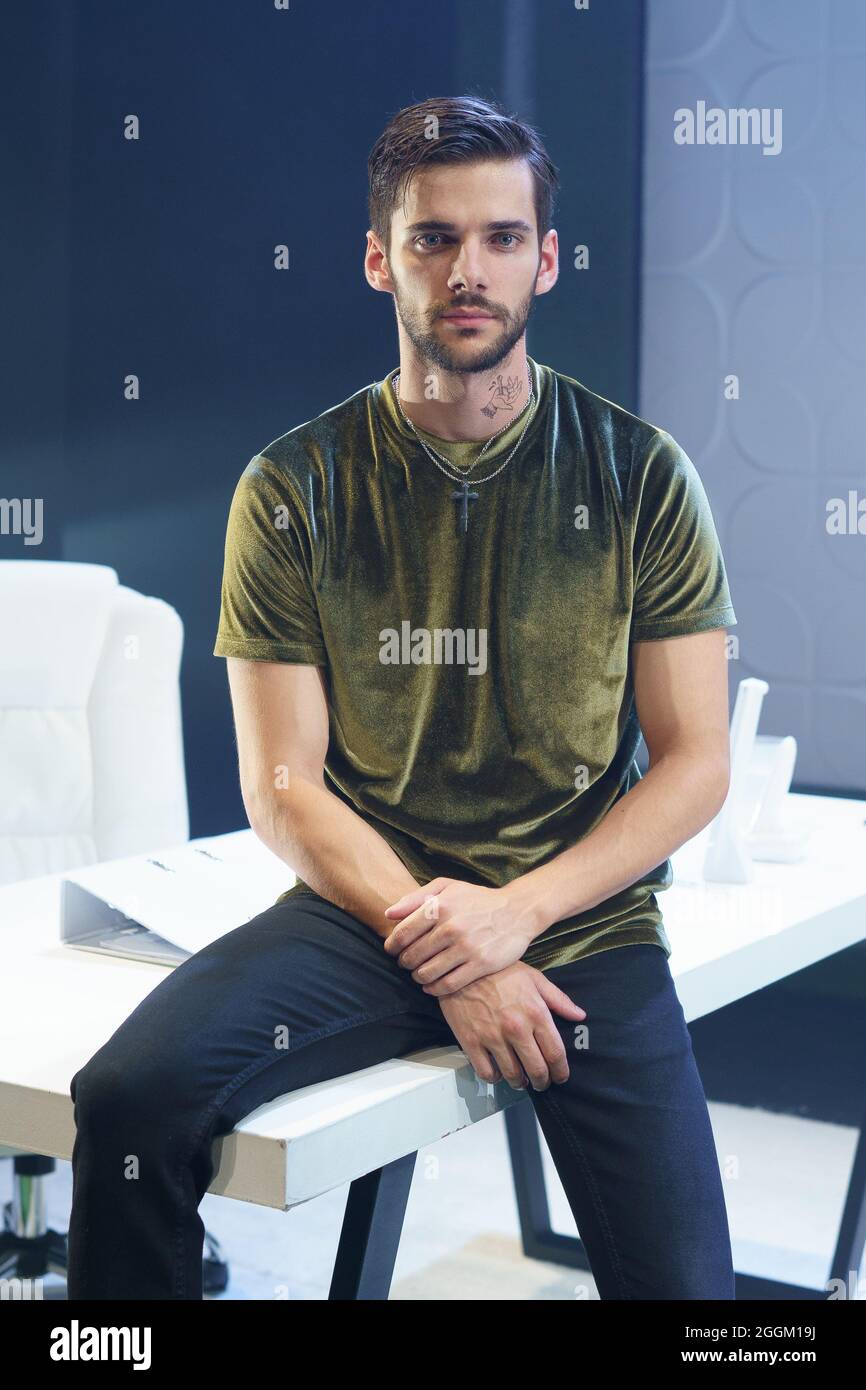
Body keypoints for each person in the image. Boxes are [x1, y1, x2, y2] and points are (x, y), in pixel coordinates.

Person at [67, 94, 737, 1300]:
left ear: (542, 257)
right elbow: (283, 789)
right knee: (125, 1099)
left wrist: (513, 917)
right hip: (364, 909)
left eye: (497, 237)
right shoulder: (290, 486)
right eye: (432, 238)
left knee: (699, 1309)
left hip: (581, 921)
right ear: (380, 258)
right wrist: (452, 949)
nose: (464, 269)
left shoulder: (638, 473)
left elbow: (695, 761)